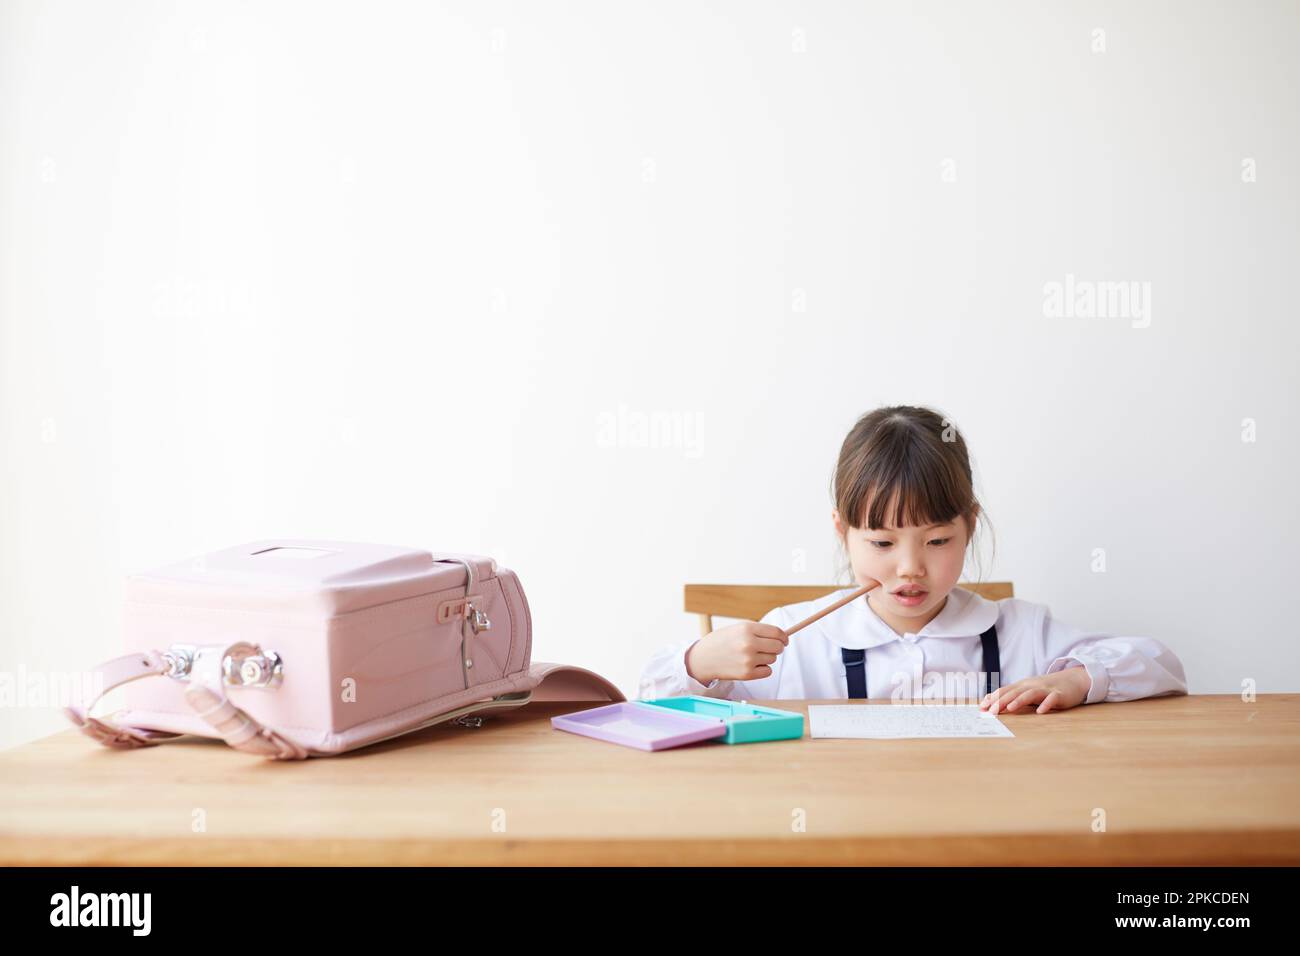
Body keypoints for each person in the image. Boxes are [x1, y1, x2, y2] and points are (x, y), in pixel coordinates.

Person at [638, 405, 1188, 713]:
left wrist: (1077, 681)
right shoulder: (793, 641)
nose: (909, 568)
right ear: (842, 533)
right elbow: (647, 703)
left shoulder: (1021, 631)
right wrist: (697, 663)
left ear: (969, 525)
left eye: (937, 541)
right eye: (881, 543)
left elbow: (1161, 665)